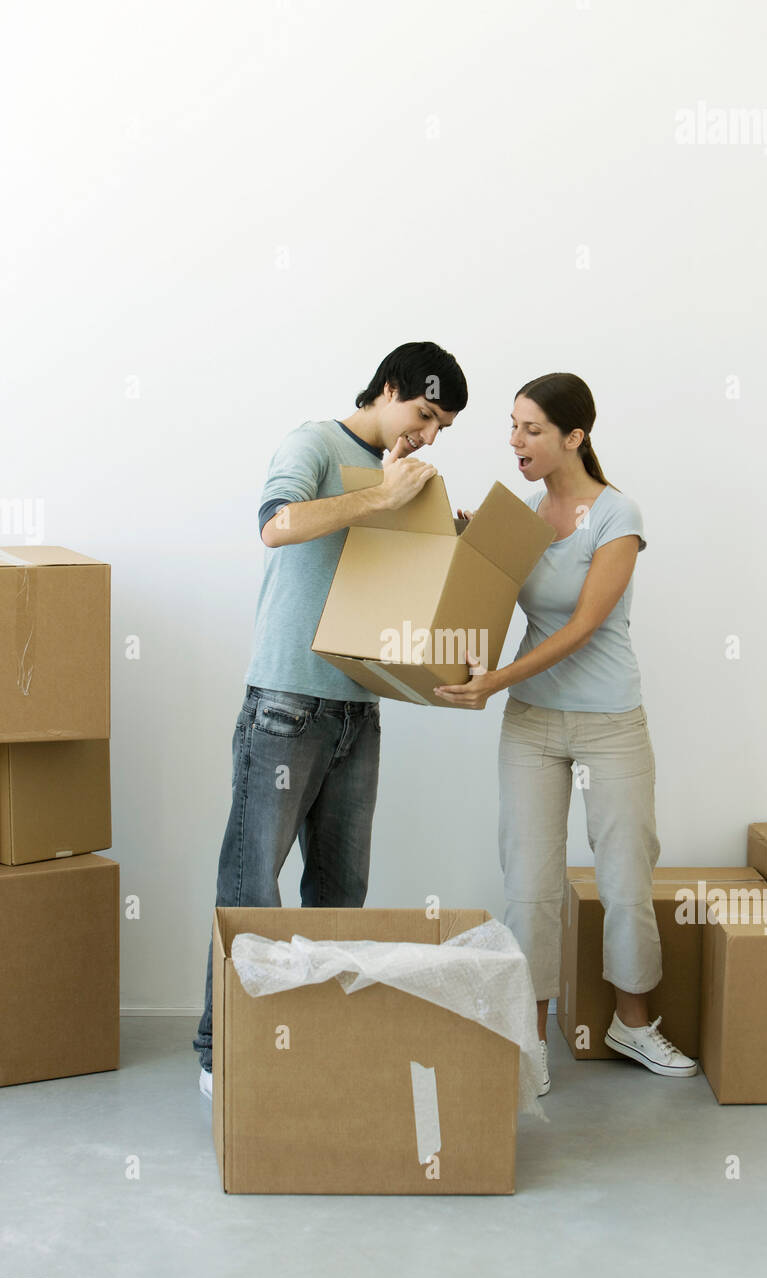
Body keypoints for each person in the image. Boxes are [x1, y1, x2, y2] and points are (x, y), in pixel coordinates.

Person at [193, 341, 468, 1096]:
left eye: (442, 425)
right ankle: (223, 1052)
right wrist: (381, 497)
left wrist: (447, 534)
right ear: (388, 389)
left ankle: (306, 1040)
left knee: (340, 895)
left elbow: (390, 579)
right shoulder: (313, 442)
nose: (429, 435)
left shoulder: (404, 478)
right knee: (252, 885)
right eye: (424, 414)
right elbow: (276, 524)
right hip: (285, 700)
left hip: (358, 704)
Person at [437, 372, 697, 1096]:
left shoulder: (618, 515)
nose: (514, 441)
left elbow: (583, 626)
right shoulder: (517, 519)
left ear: (573, 437)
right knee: (529, 884)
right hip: (531, 723)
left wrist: (496, 678)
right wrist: (465, 546)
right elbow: (481, 598)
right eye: (511, 426)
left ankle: (632, 1022)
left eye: (531, 430)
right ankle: (531, 1036)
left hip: (610, 721)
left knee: (623, 877)